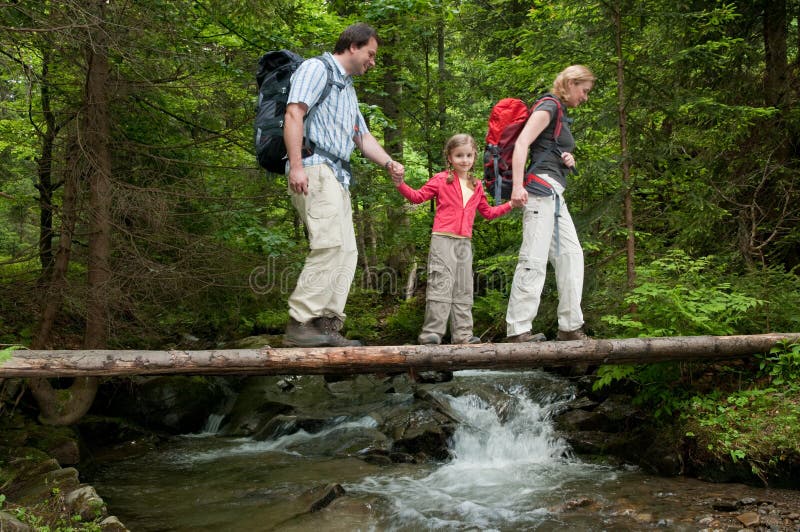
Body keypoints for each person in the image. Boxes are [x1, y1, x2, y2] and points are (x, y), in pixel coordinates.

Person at [284, 23, 404, 347]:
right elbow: (294, 113)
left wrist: (389, 162)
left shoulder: (347, 88)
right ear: (353, 46)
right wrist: (296, 166)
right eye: (371, 54)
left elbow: (361, 137)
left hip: (338, 176)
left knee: (347, 251)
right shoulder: (316, 68)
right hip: (314, 167)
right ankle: (300, 322)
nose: (373, 61)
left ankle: (327, 323)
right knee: (329, 244)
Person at [394, 134, 519, 345]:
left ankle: (462, 335)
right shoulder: (441, 179)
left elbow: (487, 212)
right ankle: (431, 333)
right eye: (459, 155)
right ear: (450, 157)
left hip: (464, 242)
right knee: (440, 283)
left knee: (464, 287)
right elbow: (417, 197)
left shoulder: (476, 185)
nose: (465, 160)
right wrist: (400, 183)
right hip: (442, 238)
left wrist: (511, 205)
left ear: (474, 157)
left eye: (469, 155)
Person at [505, 65, 596, 343]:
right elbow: (522, 144)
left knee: (571, 255)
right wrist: (518, 187)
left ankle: (570, 326)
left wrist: (567, 159)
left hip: (555, 194)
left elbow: (547, 148)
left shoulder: (561, 114)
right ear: (570, 83)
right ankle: (517, 330)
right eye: (584, 90)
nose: (585, 97)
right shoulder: (548, 105)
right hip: (538, 192)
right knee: (533, 259)